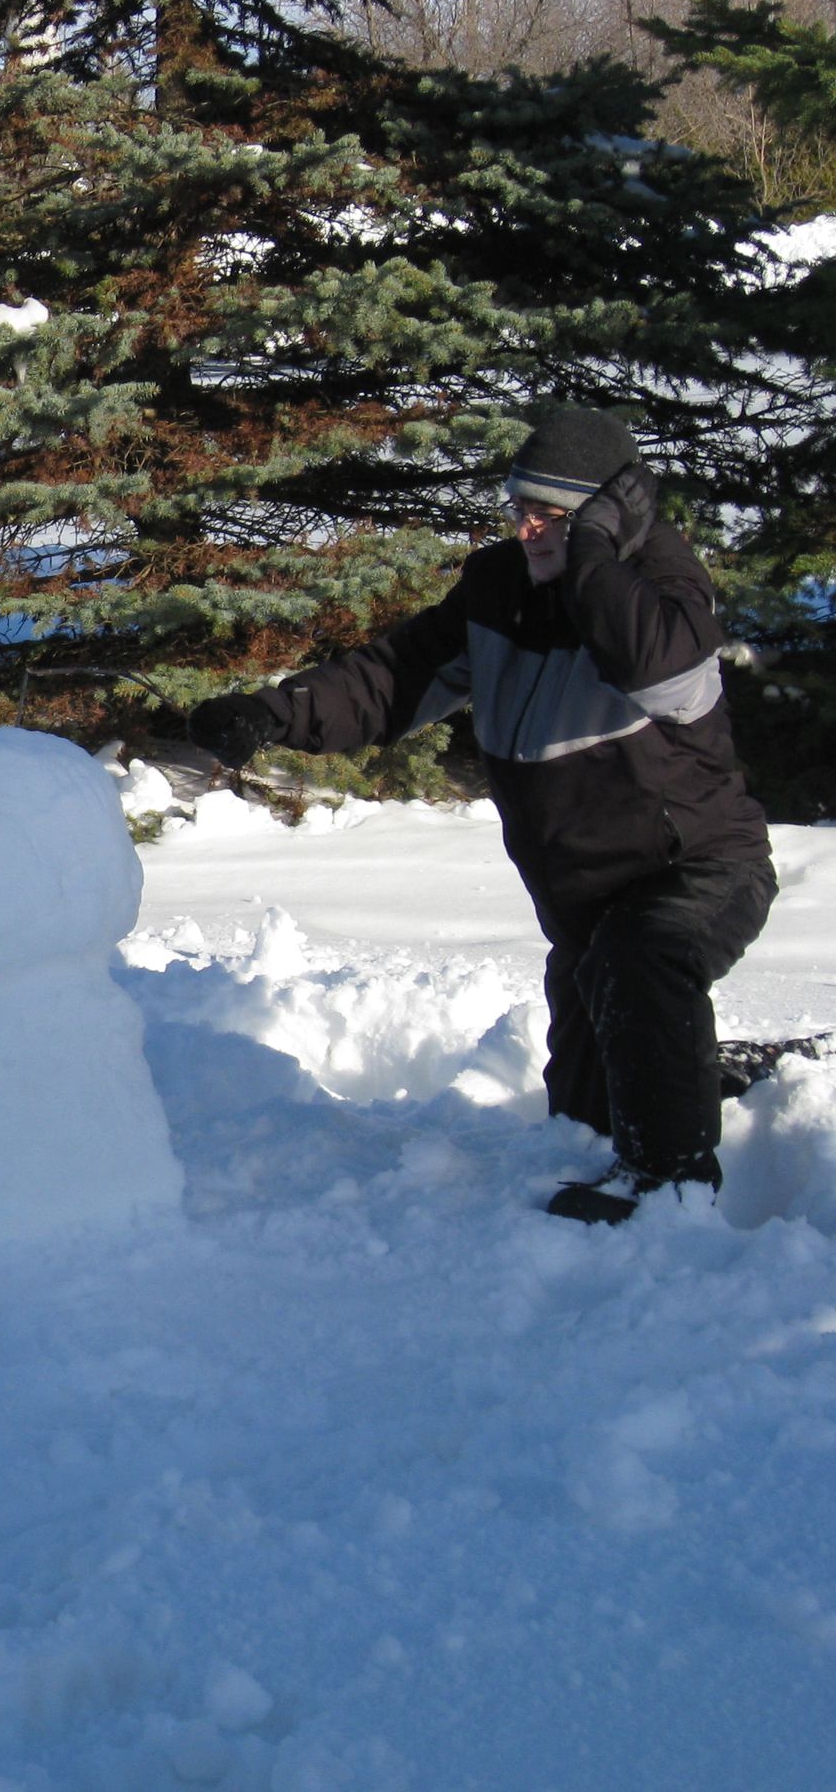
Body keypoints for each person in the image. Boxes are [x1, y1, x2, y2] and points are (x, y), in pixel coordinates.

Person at [188, 407, 777, 1224]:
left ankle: (674, 1189)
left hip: (701, 868)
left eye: (553, 514)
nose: (528, 527)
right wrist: (270, 713)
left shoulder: (663, 590)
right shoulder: (500, 588)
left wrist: (594, 556)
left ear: (607, 518)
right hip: (584, 904)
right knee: (584, 1113)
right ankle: (723, 1075)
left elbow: (660, 673)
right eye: (518, 506)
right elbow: (393, 679)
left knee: (642, 964)